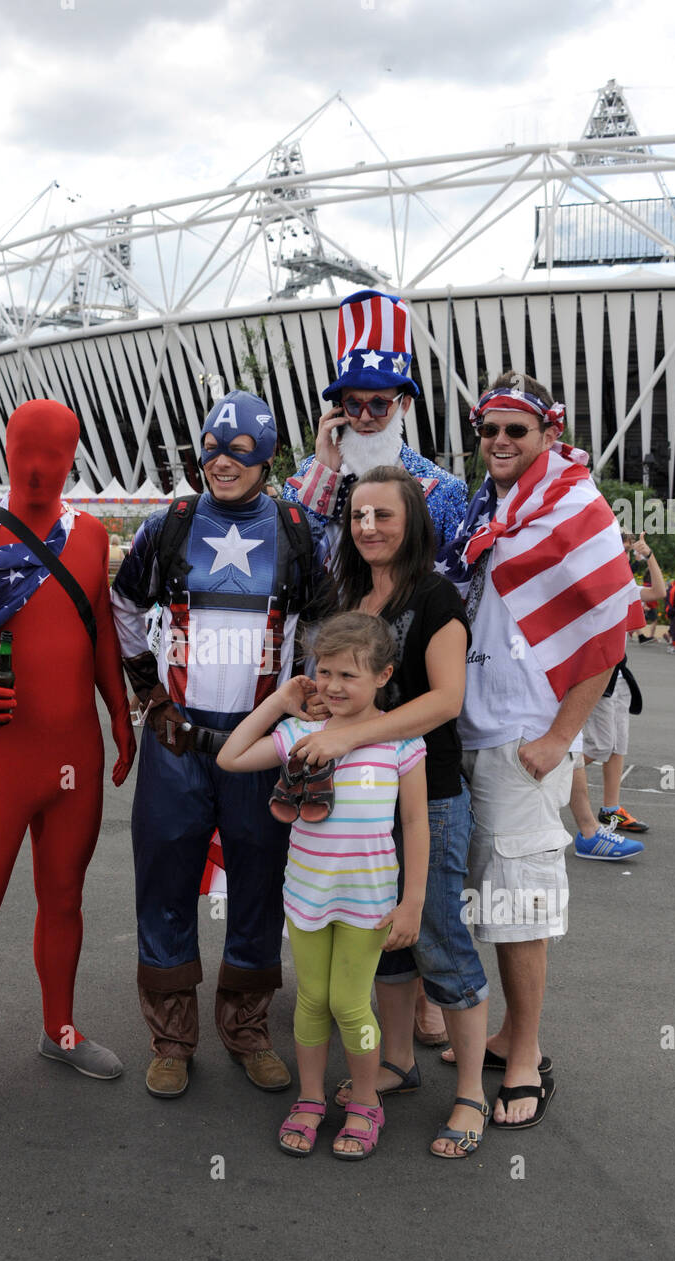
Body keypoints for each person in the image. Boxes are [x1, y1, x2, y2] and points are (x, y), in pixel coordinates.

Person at [0, 399, 136, 1137]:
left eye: (55, 453)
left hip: (72, 753)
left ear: (73, 458)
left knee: (65, 899)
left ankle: (60, 1028)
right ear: (8, 452)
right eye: (26, 452)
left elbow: (96, 624)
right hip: (0, 758)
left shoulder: (90, 535)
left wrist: (119, 712)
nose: (39, 467)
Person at [435, 372, 643, 1128]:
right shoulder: (490, 508)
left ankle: (524, 1057)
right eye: (488, 428)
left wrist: (560, 737)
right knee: (479, 895)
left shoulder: (573, 506)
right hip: (466, 728)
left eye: (514, 430)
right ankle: (502, 1036)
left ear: (547, 435)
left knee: (516, 905)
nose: (497, 441)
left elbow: (609, 630)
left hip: (521, 737)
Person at [111, 389, 332, 1099]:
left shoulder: (298, 530)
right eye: (212, 447)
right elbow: (122, 601)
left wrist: (303, 713)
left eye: (239, 452)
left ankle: (246, 1029)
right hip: (176, 744)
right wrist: (149, 693)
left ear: (266, 457)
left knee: (260, 885)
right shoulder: (169, 524)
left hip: (261, 750)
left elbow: (326, 629)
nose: (221, 463)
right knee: (165, 882)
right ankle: (172, 1037)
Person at [288, 466, 492, 1158]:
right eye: (358, 516)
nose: (368, 527)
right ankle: (398, 1062)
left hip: (425, 796)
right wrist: (324, 705)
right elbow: (352, 686)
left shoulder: (435, 598)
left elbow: (443, 701)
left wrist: (348, 734)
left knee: (435, 935)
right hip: (356, 803)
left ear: (412, 523)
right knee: (385, 942)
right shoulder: (351, 592)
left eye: (384, 515)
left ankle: (468, 1093)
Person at [219, 614, 428, 1159]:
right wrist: (279, 702)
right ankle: (311, 1098)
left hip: (371, 901)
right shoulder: (296, 735)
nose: (333, 686)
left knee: (350, 1003)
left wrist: (413, 903)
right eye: (324, 672)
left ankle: (364, 1101)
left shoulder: (400, 742)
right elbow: (231, 756)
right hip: (307, 896)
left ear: (384, 675)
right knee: (312, 1000)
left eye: (349, 676)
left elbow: (415, 824)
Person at [282, 288, 467, 548]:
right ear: (338, 409)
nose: (366, 417)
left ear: (404, 405)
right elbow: (291, 554)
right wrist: (323, 475)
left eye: (379, 404)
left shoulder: (443, 491)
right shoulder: (302, 483)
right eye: (353, 404)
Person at [572, 531, 666, 848]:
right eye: (621, 540)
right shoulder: (593, 579)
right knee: (599, 746)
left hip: (620, 672)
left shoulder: (622, 585)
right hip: (598, 673)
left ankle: (611, 811)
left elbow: (658, 592)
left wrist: (648, 555)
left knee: (616, 747)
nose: (625, 546)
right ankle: (548, 770)